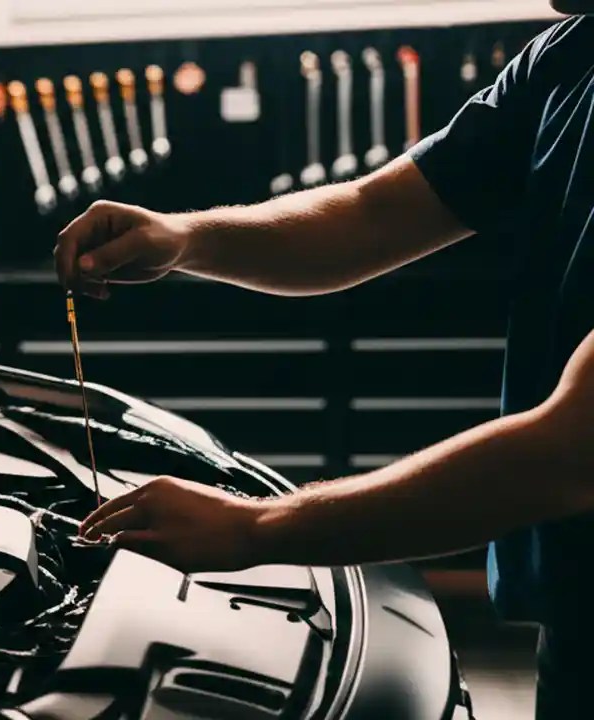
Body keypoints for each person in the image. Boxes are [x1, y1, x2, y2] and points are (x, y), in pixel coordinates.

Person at [53, 7, 593, 717]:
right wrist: (184, 238)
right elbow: (372, 214)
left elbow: (571, 453)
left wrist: (255, 529)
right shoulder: (569, 56)